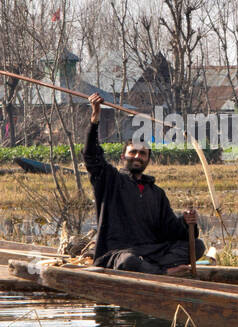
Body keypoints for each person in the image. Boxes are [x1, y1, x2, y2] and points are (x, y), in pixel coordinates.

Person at [85, 93, 204, 275]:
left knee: (197, 245)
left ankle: (154, 269)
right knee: (129, 261)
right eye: (133, 153)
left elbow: (169, 229)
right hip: (119, 253)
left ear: (148, 159)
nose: (137, 157)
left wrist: (187, 222)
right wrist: (95, 119)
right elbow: (92, 156)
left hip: (152, 252)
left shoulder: (156, 193)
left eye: (143, 154)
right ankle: (164, 273)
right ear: (123, 156)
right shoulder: (110, 179)